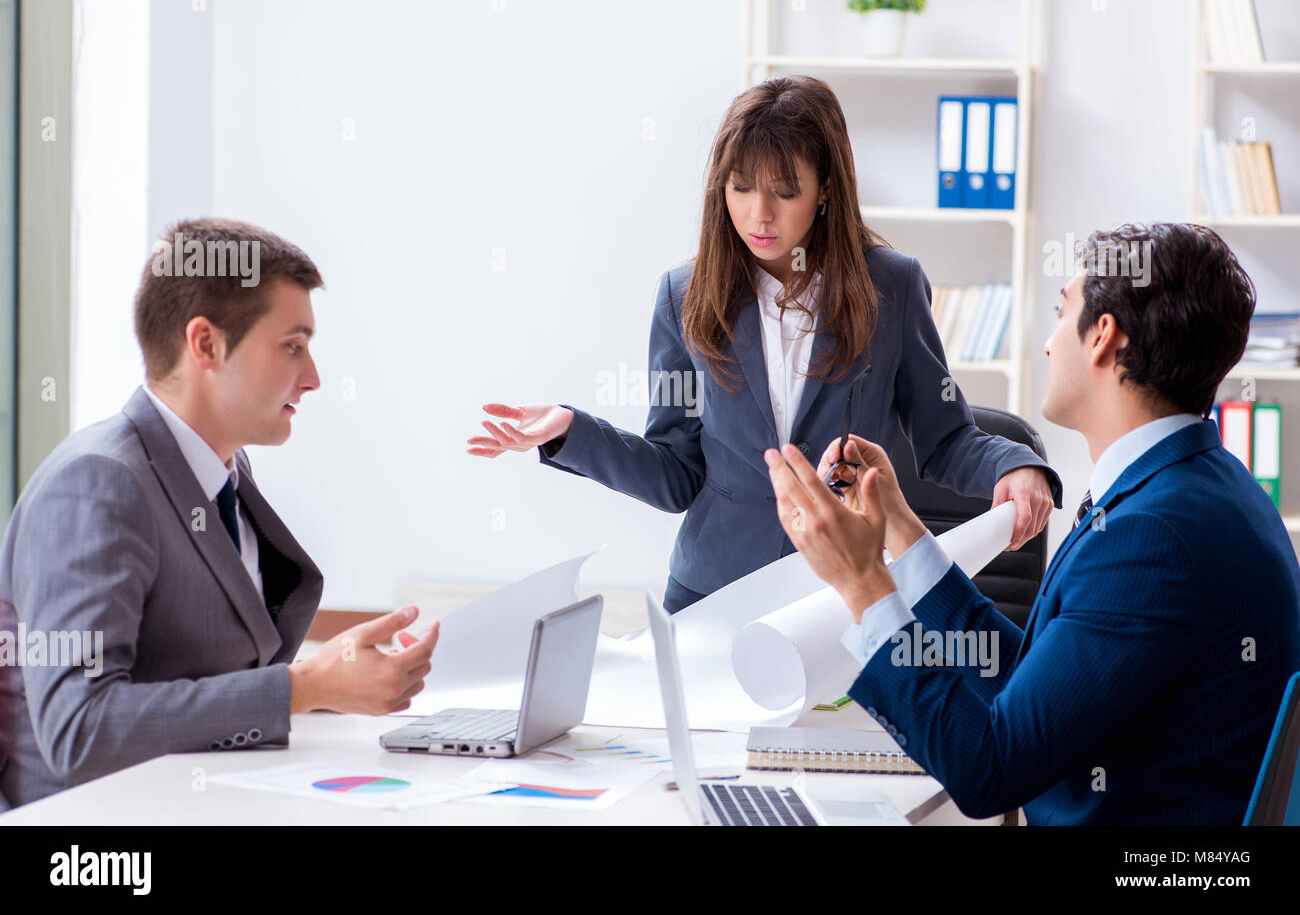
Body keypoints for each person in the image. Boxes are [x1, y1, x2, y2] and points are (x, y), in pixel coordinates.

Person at [766, 221, 1300, 824]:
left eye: (1059, 312)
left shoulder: (1154, 535)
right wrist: (900, 527)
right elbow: (1033, 686)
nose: (1048, 344)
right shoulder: (1202, 486)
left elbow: (988, 768)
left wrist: (864, 585)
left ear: (1102, 336)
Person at [468, 75, 1061, 612]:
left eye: (784, 191)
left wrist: (1018, 464)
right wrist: (571, 430)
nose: (758, 214)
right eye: (741, 187)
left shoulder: (893, 287)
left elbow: (945, 438)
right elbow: (676, 473)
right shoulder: (683, 294)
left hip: (840, 598)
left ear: (826, 189)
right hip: (711, 596)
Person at [0, 218, 438, 810]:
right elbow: (80, 729)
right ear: (205, 344)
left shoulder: (222, 472)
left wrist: (330, 680)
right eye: (292, 346)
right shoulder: (96, 482)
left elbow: (202, 665)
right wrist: (300, 689)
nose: (312, 378)